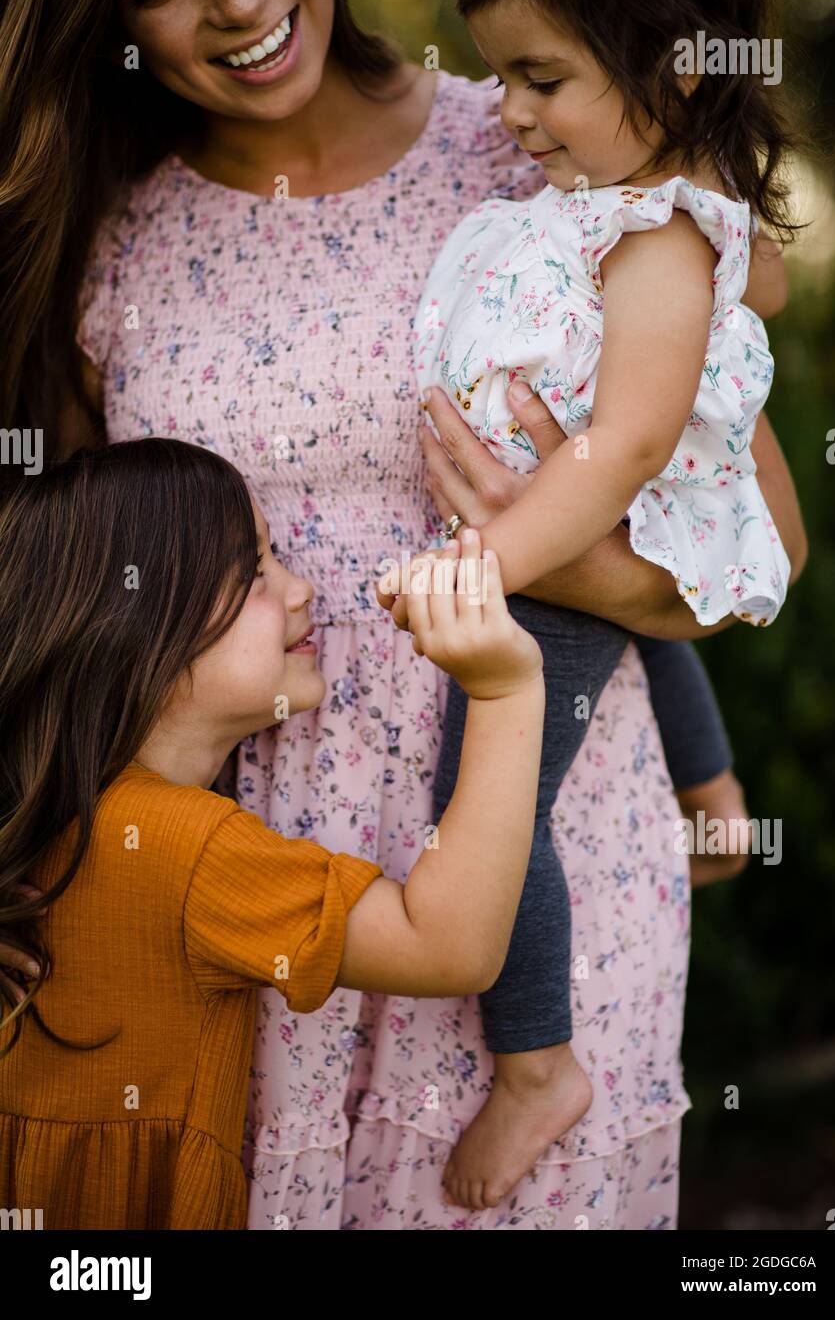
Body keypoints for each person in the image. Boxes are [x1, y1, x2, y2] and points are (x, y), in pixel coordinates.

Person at [0, 0, 807, 1229]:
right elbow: (80, 616)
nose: (236, 2)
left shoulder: (544, 130)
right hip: (246, 877)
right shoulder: (105, 243)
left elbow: (757, 537)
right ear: (111, 19)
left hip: (541, 826)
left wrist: (568, 572)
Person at [382, 0, 798, 1209]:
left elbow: (619, 452)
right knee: (643, 601)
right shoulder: (622, 201)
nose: (504, 109)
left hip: (549, 541)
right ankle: (712, 793)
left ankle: (535, 1063)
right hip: (583, 536)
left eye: (539, 78)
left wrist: (484, 563)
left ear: (669, 74)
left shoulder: (662, 234)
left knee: (486, 805)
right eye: (499, 74)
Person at [0, 438, 546, 1229]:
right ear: (130, 629)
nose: (302, 590)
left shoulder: (51, 821)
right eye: (256, 571)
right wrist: (505, 692)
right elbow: (450, 945)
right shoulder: (188, 848)